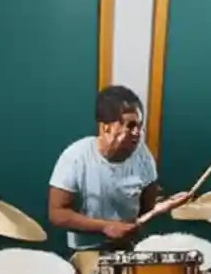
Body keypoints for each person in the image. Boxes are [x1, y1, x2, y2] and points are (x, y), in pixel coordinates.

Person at [48, 85, 189, 262]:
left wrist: (166, 204)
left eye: (140, 125)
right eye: (130, 126)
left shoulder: (143, 156)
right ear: (105, 127)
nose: (138, 133)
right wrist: (106, 227)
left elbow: (147, 207)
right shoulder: (75, 157)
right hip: (86, 250)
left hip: (128, 250)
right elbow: (57, 213)